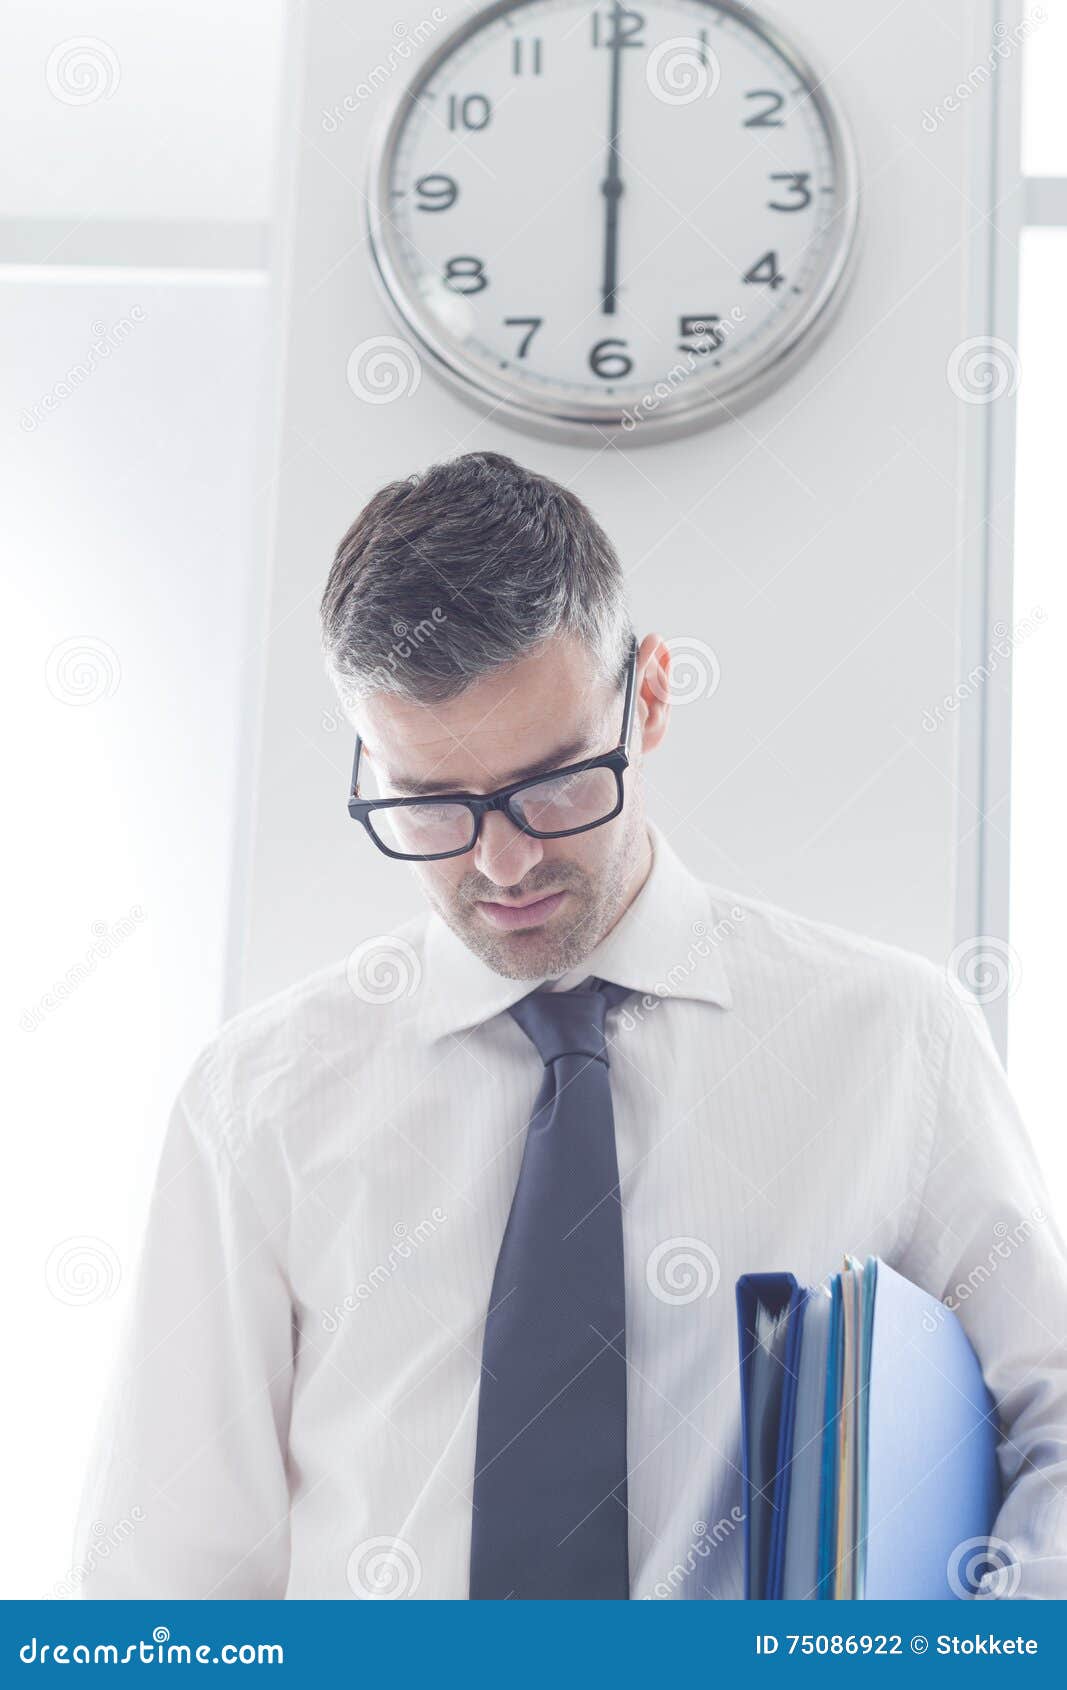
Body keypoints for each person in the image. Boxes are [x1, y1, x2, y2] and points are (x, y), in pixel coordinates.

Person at [74, 452, 1066, 1600]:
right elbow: (160, 1573)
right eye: (429, 802)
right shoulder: (259, 1097)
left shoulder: (894, 1039)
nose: (501, 862)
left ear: (646, 698)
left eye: (548, 784)